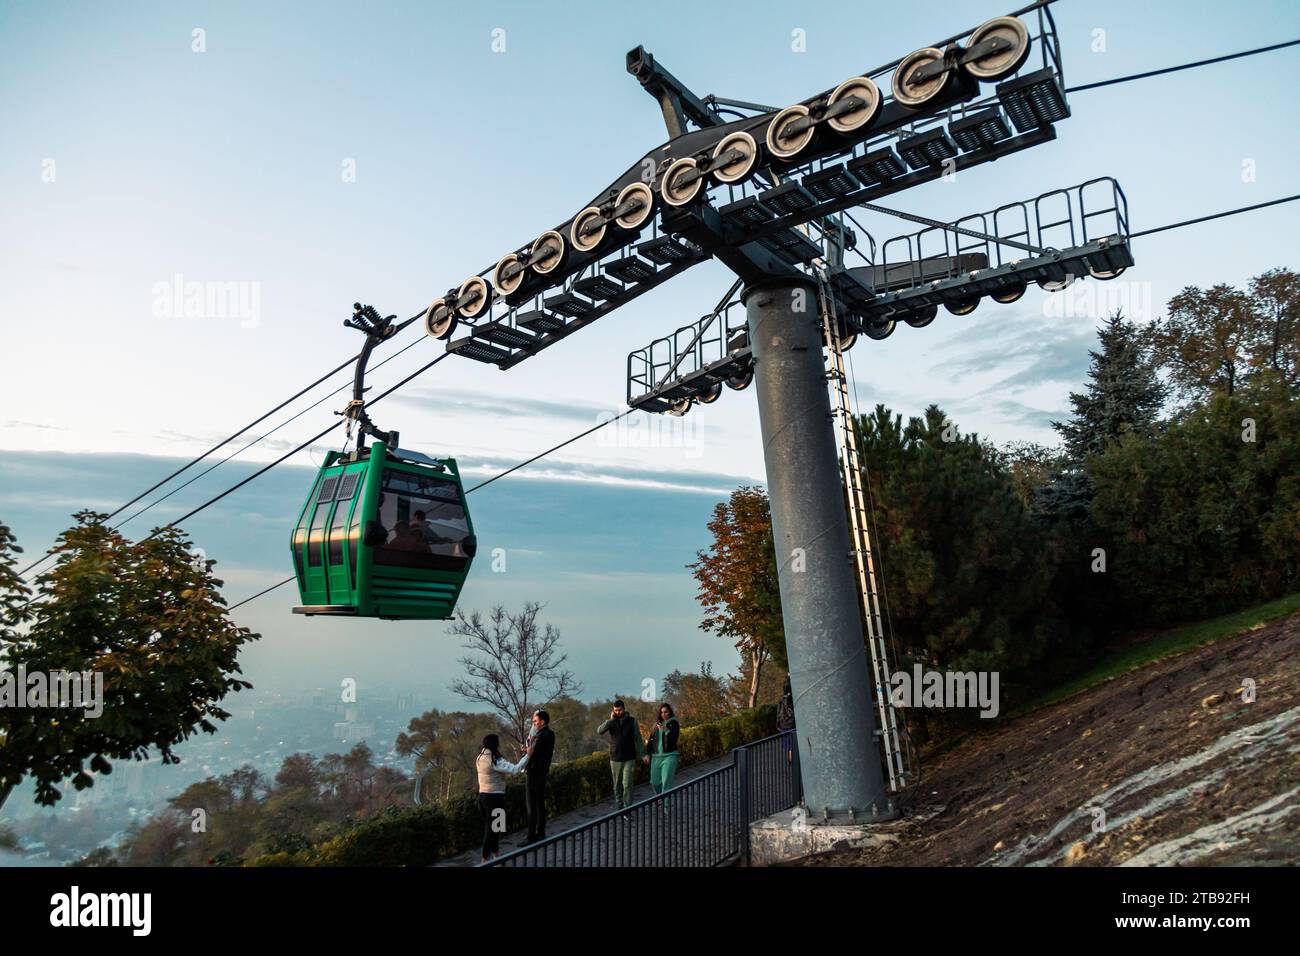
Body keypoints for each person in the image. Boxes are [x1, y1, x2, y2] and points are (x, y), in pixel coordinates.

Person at [475, 733, 528, 863]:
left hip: (482, 797)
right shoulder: (494, 760)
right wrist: (528, 755)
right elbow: (515, 769)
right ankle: (484, 860)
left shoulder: (480, 757)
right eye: (498, 743)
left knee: (494, 829)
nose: (499, 745)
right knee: (492, 830)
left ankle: (496, 857)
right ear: (494, 744)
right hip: (495, 798)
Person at [597, 700, 645, 812]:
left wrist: (643, 754)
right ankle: (620, 806)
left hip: (629, 758)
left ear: (624, 709)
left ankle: (627, 808)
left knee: (628, 784)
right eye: (616, 710)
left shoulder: (632, 721)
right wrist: (610, 720)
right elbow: (599, 731)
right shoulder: (611, 722)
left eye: (620, 710)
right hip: (615, 758)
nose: (618, 712)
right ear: (613, 711)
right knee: (617, 784)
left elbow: (638, 739)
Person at [522, 710, 555, 846]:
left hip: (534, 773)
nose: (534, 724)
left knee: (532, 805)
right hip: (542, 772)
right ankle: (540, 833)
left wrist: (526, 750)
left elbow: (533, 753)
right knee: (540, 804)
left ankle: (531, 836)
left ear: (542, 721)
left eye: (535, 721)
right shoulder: (550, 734)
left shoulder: (540, 736)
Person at [644, 702, 681, 797]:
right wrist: (647, 754)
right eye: (662, 712)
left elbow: (674, 739)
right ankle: (661, 797)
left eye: (666, 712)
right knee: (654, 782)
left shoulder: (674, 723)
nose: (664, 714)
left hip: (670, 756)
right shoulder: (656, 725)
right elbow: (650, 740)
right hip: (656, 757)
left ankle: (666, 807)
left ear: (670, 712)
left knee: (666, 783)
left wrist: (666, 730)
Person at [776, 677, 796, 764]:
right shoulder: (792, 698)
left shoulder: (781, 700)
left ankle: (790, 760)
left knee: (788, 745)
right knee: (792, 744)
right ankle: (793, 761)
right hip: (791, 723)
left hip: (783, 724)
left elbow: (778, 712)